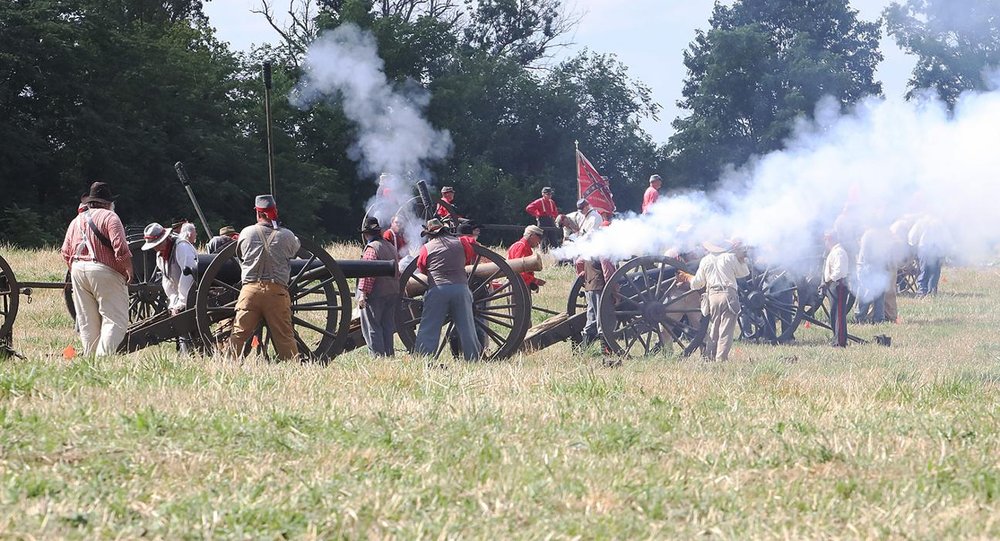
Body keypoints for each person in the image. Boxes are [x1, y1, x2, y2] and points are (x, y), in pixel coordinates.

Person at [60, 182, 133, 356]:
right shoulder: (110, 217)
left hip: (77, 271)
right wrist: (128, 269)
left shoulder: (76, 221)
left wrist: (75, 269)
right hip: (104, 270)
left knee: (87, 322)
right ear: (108, 203)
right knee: (115, 320)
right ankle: (102, 361)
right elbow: (120, 247)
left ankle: (90, 360)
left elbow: (65, 251)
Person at [229, 195, 301, 360]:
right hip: (276, 292)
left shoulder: (246, 233)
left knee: (238, 334)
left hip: (250, 292)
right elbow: (295, 249)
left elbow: (240, 254)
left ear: (257, 213)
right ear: (274, 212)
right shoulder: (287, 235)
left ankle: (227, 366)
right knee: (285, 336)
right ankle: (293, 368)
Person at [414, 218, 480, 361]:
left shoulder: (426, 248)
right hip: (461, 289)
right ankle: (473, 359)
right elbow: (468, 258)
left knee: (429, 327)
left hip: (438, 290)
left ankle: (424, 358)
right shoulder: (461, 243)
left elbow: (422, 268)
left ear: (430, 234)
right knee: (467, 327)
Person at [689, 239, 750, 361]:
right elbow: (744, 273)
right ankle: (721, 359)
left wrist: (688, 279)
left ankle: (710, 356)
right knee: (726, 329)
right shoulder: (730, 257)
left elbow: (697, 283)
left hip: (712, 296)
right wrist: (742, 259)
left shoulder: (705, 260)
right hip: (728, 294)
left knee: (715, 328)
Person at [141, 222, 198, 353]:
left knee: (183, 321)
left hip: (193, 291)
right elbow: (167, 280)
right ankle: (185, 352)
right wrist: (173, 302)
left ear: (165, 239)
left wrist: (182, 301)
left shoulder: (181, 247)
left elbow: (188, 274)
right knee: (178, 320)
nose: (155, 248)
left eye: (157, 244)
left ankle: (188, 352)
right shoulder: (160, 255)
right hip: (181, 295)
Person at [357, 217, 400, 357]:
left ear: (366, 234)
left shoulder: (372, 248)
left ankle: (378, 357)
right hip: (392, 291)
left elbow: (367, 273)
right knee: (387, 326)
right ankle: (389, 355)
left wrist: (362, 293)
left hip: (377, 293)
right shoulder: (390, 246)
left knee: (372, 326)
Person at [855, 226, 891, 324]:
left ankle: (865, 317)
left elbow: (865, 256)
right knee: (873, 294)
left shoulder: (870, 235)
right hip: (875, 267)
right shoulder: (874, 235)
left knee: (871, 294)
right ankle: (873, 318)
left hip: (873, 267)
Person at [908, 214, 950, 296]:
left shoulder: (921, 222)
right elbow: (947, 238)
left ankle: (921, 292)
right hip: (937, 249)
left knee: (923, 270)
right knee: (934, 273)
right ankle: (931, 292)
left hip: (924, 248)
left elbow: (912, 236)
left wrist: (913, 245)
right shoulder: (940, 223)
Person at [580, 257, 616, 351]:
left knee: (592, 319)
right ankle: (606, 351)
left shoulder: (588, 248)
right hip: (601, 288)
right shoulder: (602, 249)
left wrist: (586, 278)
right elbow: (608, 273)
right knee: (604, 320)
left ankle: (584, 349)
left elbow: (578, 262)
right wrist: (615, 292)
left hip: (590, 287)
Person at [823, 232, 850, 347]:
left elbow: (840, 271)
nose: (825, 243)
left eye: (826, 240)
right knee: (834, 313)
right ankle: (836, 339)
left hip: (838, 285)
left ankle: (840, 341)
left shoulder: (839, 252)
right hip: (834, 285)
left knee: (839, 314)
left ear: (830, 240)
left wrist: (828, 281)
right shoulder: (834, 252)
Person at [507, 225, 546, 292]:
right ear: (531, 235)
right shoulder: (523, 247)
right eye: (539, 237)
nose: (539, 241)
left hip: (518, 282)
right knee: (519, 303)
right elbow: (519, 270)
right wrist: (535, 281)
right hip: (518, 284)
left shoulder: (519, 245)